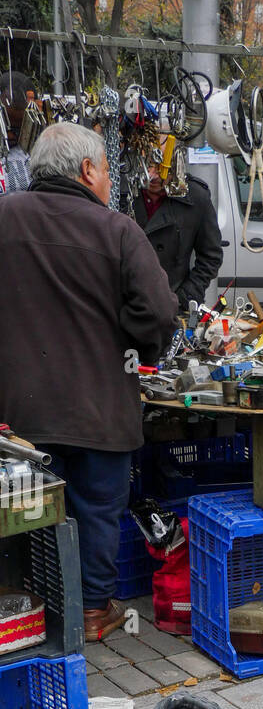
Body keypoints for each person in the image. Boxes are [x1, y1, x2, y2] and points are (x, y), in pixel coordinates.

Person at [0, 122, 177, 640]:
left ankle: (33, 608)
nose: (107, 180)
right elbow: (159, 314)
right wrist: (138, 347)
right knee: (98, 511)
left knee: (28, 513)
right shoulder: (117, 229)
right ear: (86, 170)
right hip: (100, 408)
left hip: (22, 414)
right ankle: (93, 612)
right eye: (105, 169)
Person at [130, 147, 223, 313]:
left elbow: (211, 257)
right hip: (129, 304)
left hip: (173, 304)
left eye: (161, 167)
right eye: (147, 166)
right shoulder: (124, 193)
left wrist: (185, 296)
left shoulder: (196, 197)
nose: (153, 175)